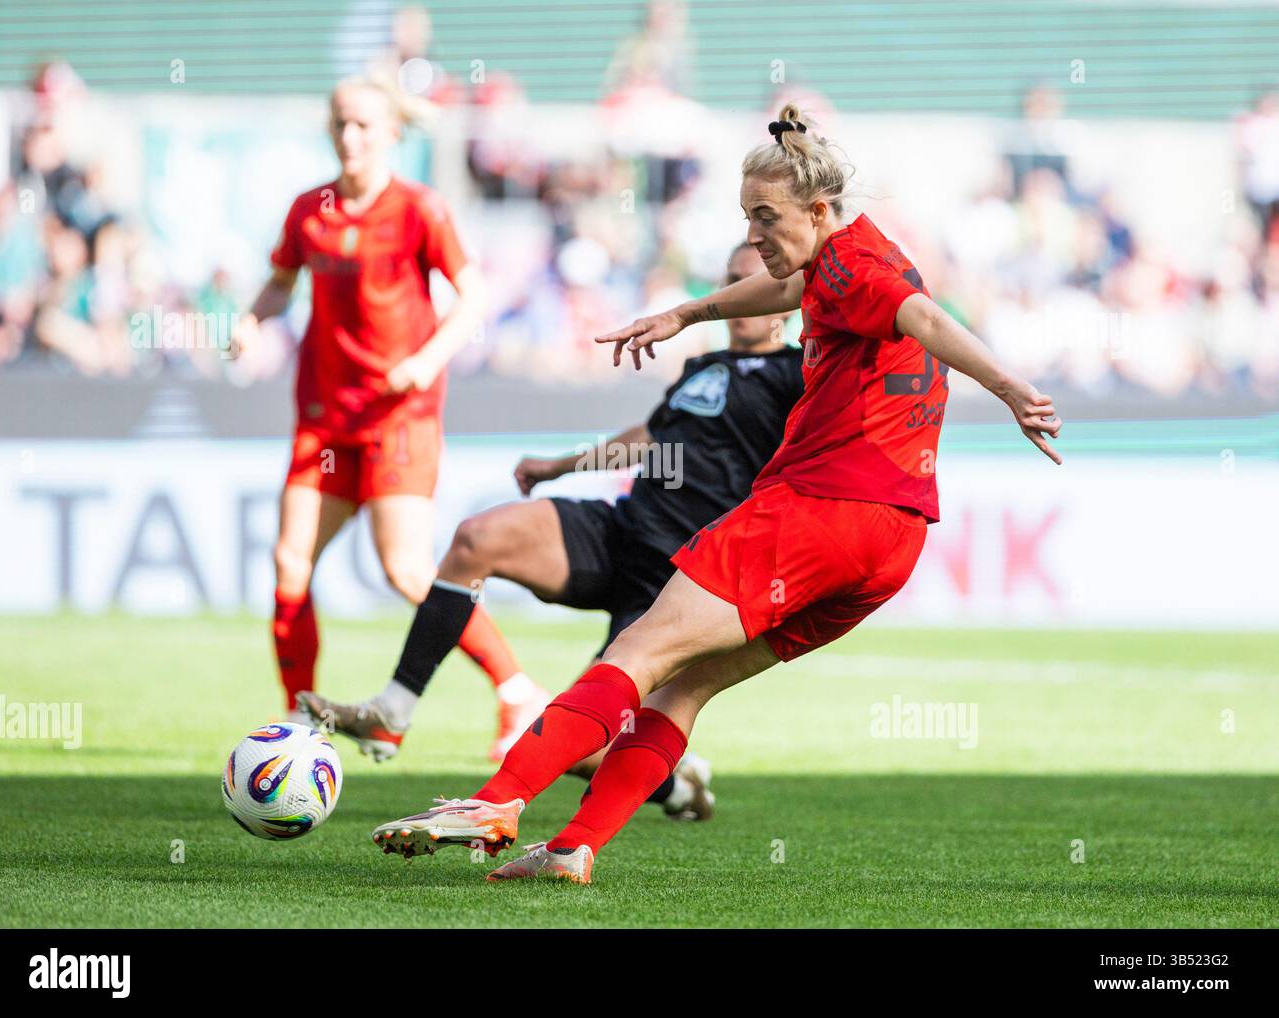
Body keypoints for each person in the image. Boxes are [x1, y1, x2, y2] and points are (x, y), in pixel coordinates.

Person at [367, 105, 1063, 883]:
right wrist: (686, 313)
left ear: (820, 210)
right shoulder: (840, 264)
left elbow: (926, 316)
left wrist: (1009, 387)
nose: (755, 237)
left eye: (765, 219)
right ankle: (573, 848)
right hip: (893, 541)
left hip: (819, 509)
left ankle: (496, 800)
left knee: (638, 651)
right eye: (746, 219)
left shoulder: (863, 268)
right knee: (686, 688)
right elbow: (789, 288)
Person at [299, 240, 803, 818]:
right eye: (729, 280)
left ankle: (680, 787)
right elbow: (647, 439)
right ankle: (393, 709)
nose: (736, 295)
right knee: (476, 539)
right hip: (622, 531)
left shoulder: (797, 377)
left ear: (782, 299)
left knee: (577, 742)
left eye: (753, 282)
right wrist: (560, 466)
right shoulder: (703, 367)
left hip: (678, 577)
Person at [231, 76, 540, 748]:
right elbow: (281, 284)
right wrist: (253, 321)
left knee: (406, 570)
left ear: (391, 133)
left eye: (364, 126)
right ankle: (299, 719)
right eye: (340, 123)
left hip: (400, 418)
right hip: (324, 420)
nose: (350, 137)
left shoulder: (418, 209)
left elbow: (473, 299)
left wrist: (427, 361)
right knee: (290, 564)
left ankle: (517, 692)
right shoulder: (308, 210)